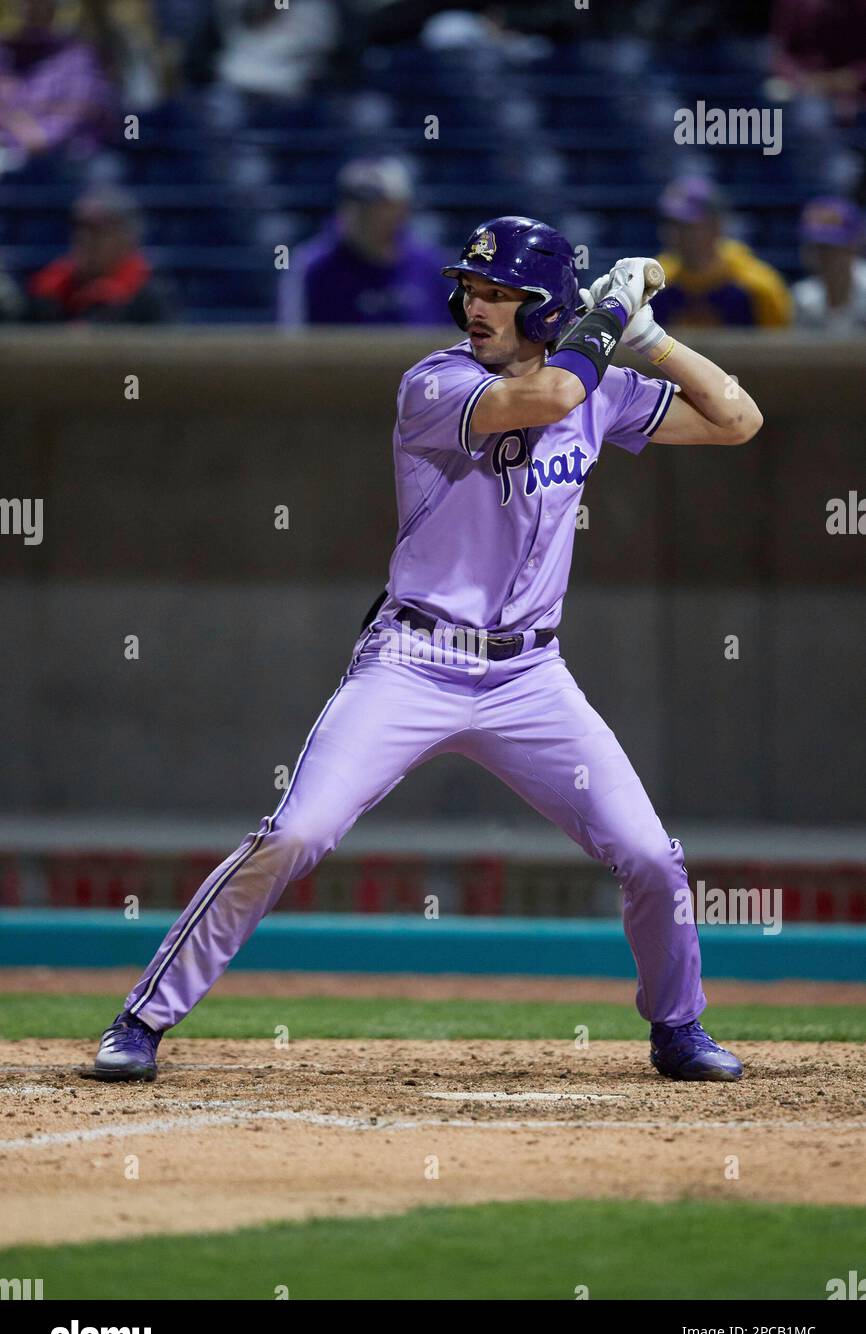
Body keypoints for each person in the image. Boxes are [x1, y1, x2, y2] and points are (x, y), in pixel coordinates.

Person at [90, 216, 762, 1086]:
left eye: (501, 293)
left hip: (528, 677)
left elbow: (738, 419)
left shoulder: (602, 388)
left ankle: (679, 1028)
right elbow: (550, 398)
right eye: (472, 288)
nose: (476, 305)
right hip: (413, 662)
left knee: (648, 855)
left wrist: (649, 338)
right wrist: (603, 324)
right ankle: (143, 1017)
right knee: (297, 831)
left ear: (547, 307)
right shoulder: (436, 383)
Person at [277, 156, 452, 327]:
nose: (361, 215)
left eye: (375, 205)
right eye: (353, 203)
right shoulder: (314, 267)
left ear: (402, 208)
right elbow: (292, 341)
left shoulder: (431, 267)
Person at [651, 176, 793, 328]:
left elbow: (779, 348)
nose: (674, 234)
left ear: (716, 226)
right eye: (670, 224)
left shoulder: (759, 288)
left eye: (686, 226)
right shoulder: (650, 286)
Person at [26, 188, 172, 323]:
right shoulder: (50, 290)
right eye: (79, 229)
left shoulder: (149, 296)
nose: (85, 239)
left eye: (98, 232)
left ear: (127, 238)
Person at [0, 0, 115, 169]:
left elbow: (81, 111)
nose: (34, 10)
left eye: (42, 4)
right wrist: (16, 124)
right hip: (8, 158)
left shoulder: (79, 56)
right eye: (28, 3)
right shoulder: (5, 53)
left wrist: (40, 134)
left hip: (69, 166)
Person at [792, 197, 866, 332]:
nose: (819, 255)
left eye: (828, 246)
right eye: (813, 246)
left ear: (852, 246)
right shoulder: (803, 298)